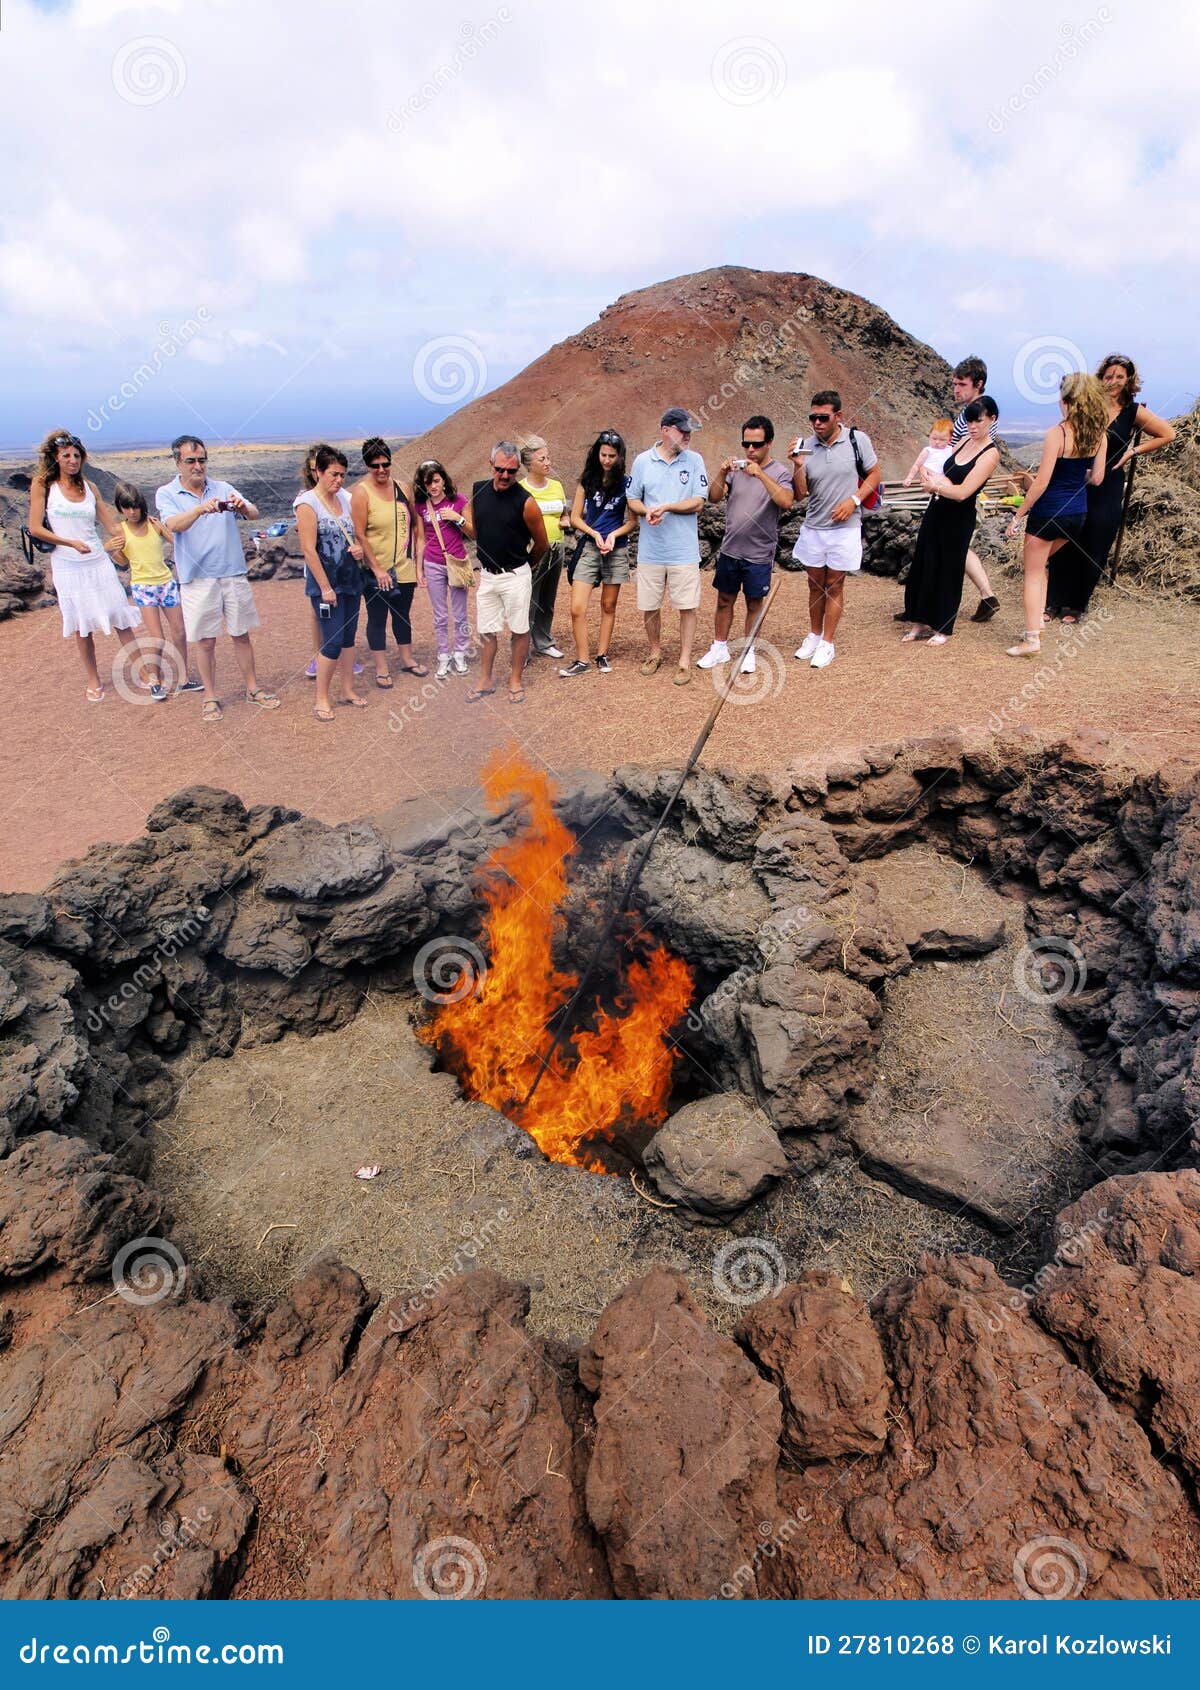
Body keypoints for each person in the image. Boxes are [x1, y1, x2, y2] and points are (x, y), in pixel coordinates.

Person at [156, 436, 279, 722]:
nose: (198, 466)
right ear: (178, 463)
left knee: (241, 634)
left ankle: (252, 689)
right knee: (205, 640)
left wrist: (241, 507)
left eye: (202, 460)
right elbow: (173, 525)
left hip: (231, 572)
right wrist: (200, 509)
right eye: (191, 461)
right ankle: (210, 696)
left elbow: (254, 512)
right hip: (197, 578)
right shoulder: (167, 493)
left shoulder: (223, 487)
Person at [1046, 354, 1176, 622]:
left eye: (1120, 377)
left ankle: (1077, 604)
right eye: (1108, 376)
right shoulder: (1088, 404)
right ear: (1100, 378)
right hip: (1076, 482)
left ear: (1128, 379)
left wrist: (1132, 452)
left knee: (1096, 540)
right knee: (1066, 537)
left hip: (1109, 484)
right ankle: (1053, 600)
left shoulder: (1133, 411)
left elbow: (1168, 434)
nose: (1114, 382)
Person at [27, 429, 142, 702]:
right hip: (68, 565)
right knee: (82, 625)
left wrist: (134, 533)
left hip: (98, 561)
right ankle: (93, 679)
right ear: (54, 458)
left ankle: (146, 671)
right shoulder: (43, 484)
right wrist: (70, 543)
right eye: (66, 455)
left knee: (119, 614)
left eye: (77, 455)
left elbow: (111, 525)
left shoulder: (90, 487)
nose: (72, 460)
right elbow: (34, 529)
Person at [1004, 373, 1108, 658]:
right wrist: (1075, 475)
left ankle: (1031, 641)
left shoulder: (1058, 433)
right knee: (1043, 566)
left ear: (1066, 401)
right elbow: (1096, 478)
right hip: (1077, 515)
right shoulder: (1100, 434)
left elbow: (1041, 482)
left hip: (1048, 513)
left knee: (1033, 574)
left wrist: (1018, 515)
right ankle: (1038, 622)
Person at [901, 357, 1000, 622]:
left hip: (960, 494)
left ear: (977, 384)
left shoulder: (981, 418)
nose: (956, 389)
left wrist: (941, 482)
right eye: (955, 383)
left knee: (955, 550)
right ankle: (924, 607)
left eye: (962, 384)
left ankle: (982, 597)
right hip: (946, 488)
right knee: (949, 549)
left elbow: (970, 459)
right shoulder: (967, 417)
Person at [789, 392, 879, 670]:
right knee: (814, 584)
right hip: (815, 525)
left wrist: (853, 501)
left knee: (835, 584)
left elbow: (875, 474)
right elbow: (801, 493)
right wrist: (797, 466)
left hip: (844, 527)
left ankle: (828, 642)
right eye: (812, 417)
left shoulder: (857, 440)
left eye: (823, 417)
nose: (817, 423)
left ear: (838, 416)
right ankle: (814, 635)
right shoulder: (805, 446)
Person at [698, 415, 794, 673]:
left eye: (757, 444)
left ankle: (749, 650)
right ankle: (719, 647)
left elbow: (786, 501)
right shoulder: (737, 471)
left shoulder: (780, 473)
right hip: (731, 548)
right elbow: (715, 497)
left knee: (754, 602)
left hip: (759, 552)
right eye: (746, 444)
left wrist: (761, 475)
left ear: (769, 442)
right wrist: (721, 472)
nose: (751, 450)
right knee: (724, 600)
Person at [626, 407, 709, 685]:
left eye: (689, 431)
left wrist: (670, 506)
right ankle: (655, 652)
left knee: (687, 606)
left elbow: (699, 501)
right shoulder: (642, 462)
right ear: (665, 430)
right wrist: (646, 511)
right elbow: (633, 498)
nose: (687, 436)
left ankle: (684, 660)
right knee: (650, 605)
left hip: (683, 550)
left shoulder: (695, 460)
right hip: (651, 550)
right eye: (682, 431)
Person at [462, 441, 547, 704]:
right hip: (487, 575)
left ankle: (515, 680)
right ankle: (485, 679)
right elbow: (477, 528)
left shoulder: (526, 502)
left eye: (511, 471)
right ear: (491, 465)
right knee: (487, 630)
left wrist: (524, 567)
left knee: (519, 630)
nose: (505, 476)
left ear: (518, 470)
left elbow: (542, 543)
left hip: (515, 575)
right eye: (500, 469)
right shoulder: (479, 490)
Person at [294, 443, 368, 720]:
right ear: (318, 472)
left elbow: (356, 533)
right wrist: (325, 587)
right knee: (333, 640)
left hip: (350, 578)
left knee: (349, 638)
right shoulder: (307, 503)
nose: (338, 480)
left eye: (342, 475)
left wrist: (359, 550)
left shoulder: (345, 500)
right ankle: (321, 697)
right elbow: (308, 548)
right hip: (326, 584)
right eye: (333, 474)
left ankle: (347, 689)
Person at [110, 480, 201, 699]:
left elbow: (179, 544)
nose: (132, 512)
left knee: (179, 631)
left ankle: (183, 679)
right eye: (127, 507)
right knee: (158, 638)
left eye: (135, 506)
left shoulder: (153, 524)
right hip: (143, 586)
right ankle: (155, 680)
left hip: (166, 582)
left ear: (141, 504)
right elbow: (121, 561)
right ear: (120, 508)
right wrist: (113, 550)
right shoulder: (120, 530)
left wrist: (166, 527)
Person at [351, 437, 428, 688]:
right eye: (375, 466)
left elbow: (417, 526)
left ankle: (407, 658)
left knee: (402, 614)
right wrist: (376, 568)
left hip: (403, 567)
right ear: (367, 466)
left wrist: (418, 565)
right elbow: (360, 533)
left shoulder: (403, 488)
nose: (381, 470)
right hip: (377, 570)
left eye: (385, 464)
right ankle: (382, 668)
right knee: (377, 617)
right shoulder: (362, 493)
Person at [560, 429, 635, 676]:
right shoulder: (587, 480)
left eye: (612, 456)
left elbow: (633, 521)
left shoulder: (627, 483)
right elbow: (575, 517)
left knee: (608, 604)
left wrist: (614, 535)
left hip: (616, 548)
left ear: (620, 457)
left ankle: (602, 654)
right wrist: (594, 534)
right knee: (577, 607)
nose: (607, 460)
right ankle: (582, 659)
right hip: (591, 547)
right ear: (597, 454)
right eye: (603, 454)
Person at [414, 459, 473, 678]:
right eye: (428, 483)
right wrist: (419, 570)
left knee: (460, 613)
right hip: (433, 562)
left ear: (444, 480)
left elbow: (472, 531)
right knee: (439, 615)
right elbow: (420, 538)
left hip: (456, 562)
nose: (433, 487)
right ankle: (443, 655)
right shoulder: (421, 507)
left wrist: (457, 519)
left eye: (436, 481)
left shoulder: (458, 501)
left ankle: (460, 652)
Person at [519, 437, 570, 658]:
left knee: (548, 597)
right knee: (529, 598)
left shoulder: (557, 486)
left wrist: (566, 520)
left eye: (548, 457)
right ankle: (522, 647)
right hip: (532, 550)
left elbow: (563, 511)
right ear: (530, 464)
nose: (548, 462)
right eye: (542, 459)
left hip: (556, 548)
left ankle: (543, 640)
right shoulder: (520, 490)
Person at [903, 420, 954, 485]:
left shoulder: (950, 450)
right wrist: (909, 478)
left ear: (950, 440)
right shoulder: (928, 450)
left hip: (943, 480)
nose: (937, 442)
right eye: (934, 438)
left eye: (942, 440)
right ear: (929, 436)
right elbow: (917, 465)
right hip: (929, 478)